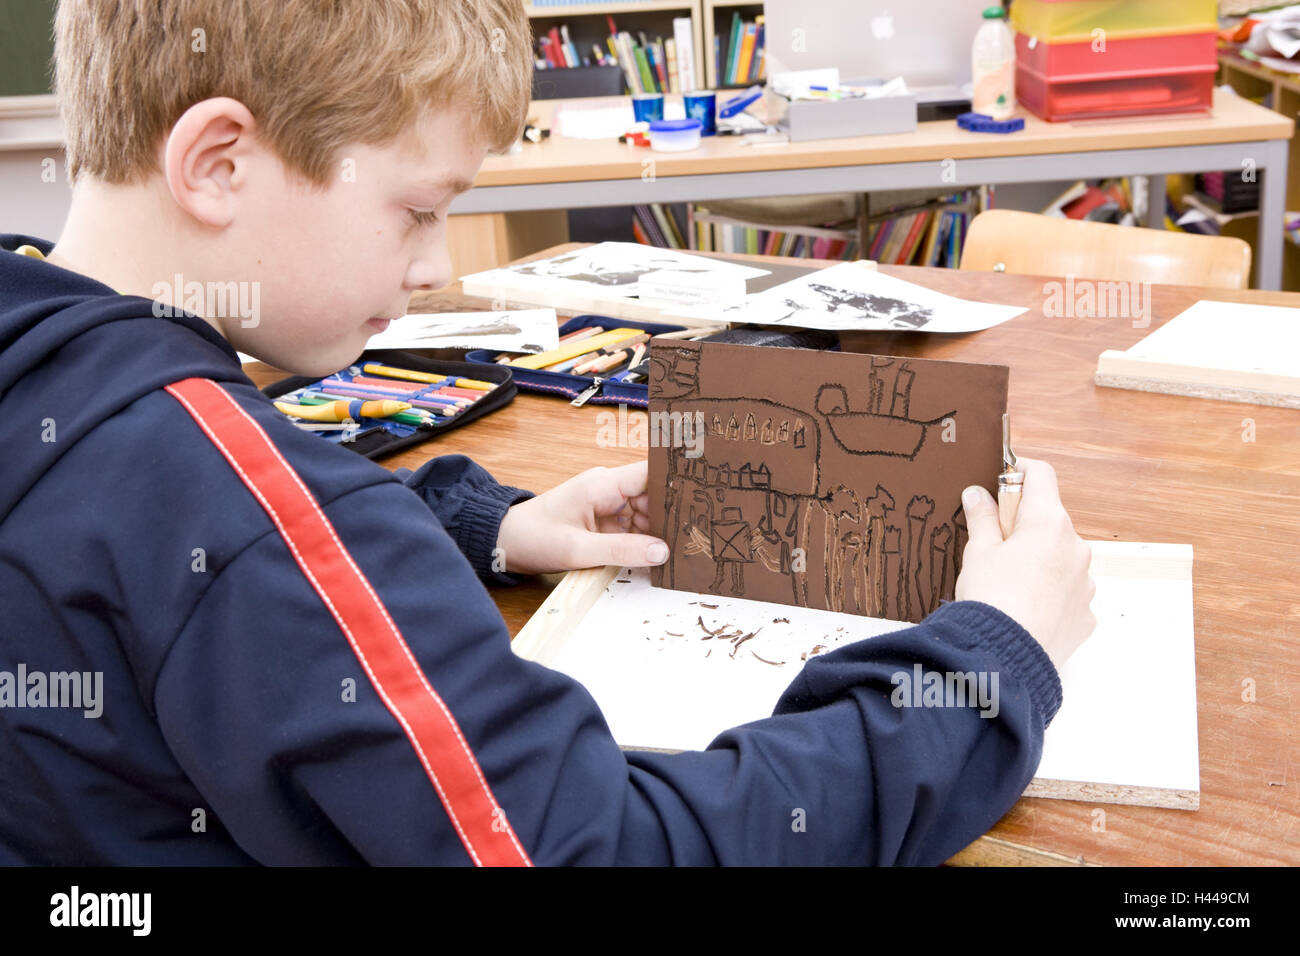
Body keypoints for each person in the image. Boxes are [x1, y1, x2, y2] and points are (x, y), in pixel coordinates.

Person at [0, 0, 1095, 865]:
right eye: (420, 208)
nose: (435, 265)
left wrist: (485, 524)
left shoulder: (50, 357)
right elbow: (601, 845)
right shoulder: (239, 522)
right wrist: (986, 664)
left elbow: (174, 544)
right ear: (219, 164)